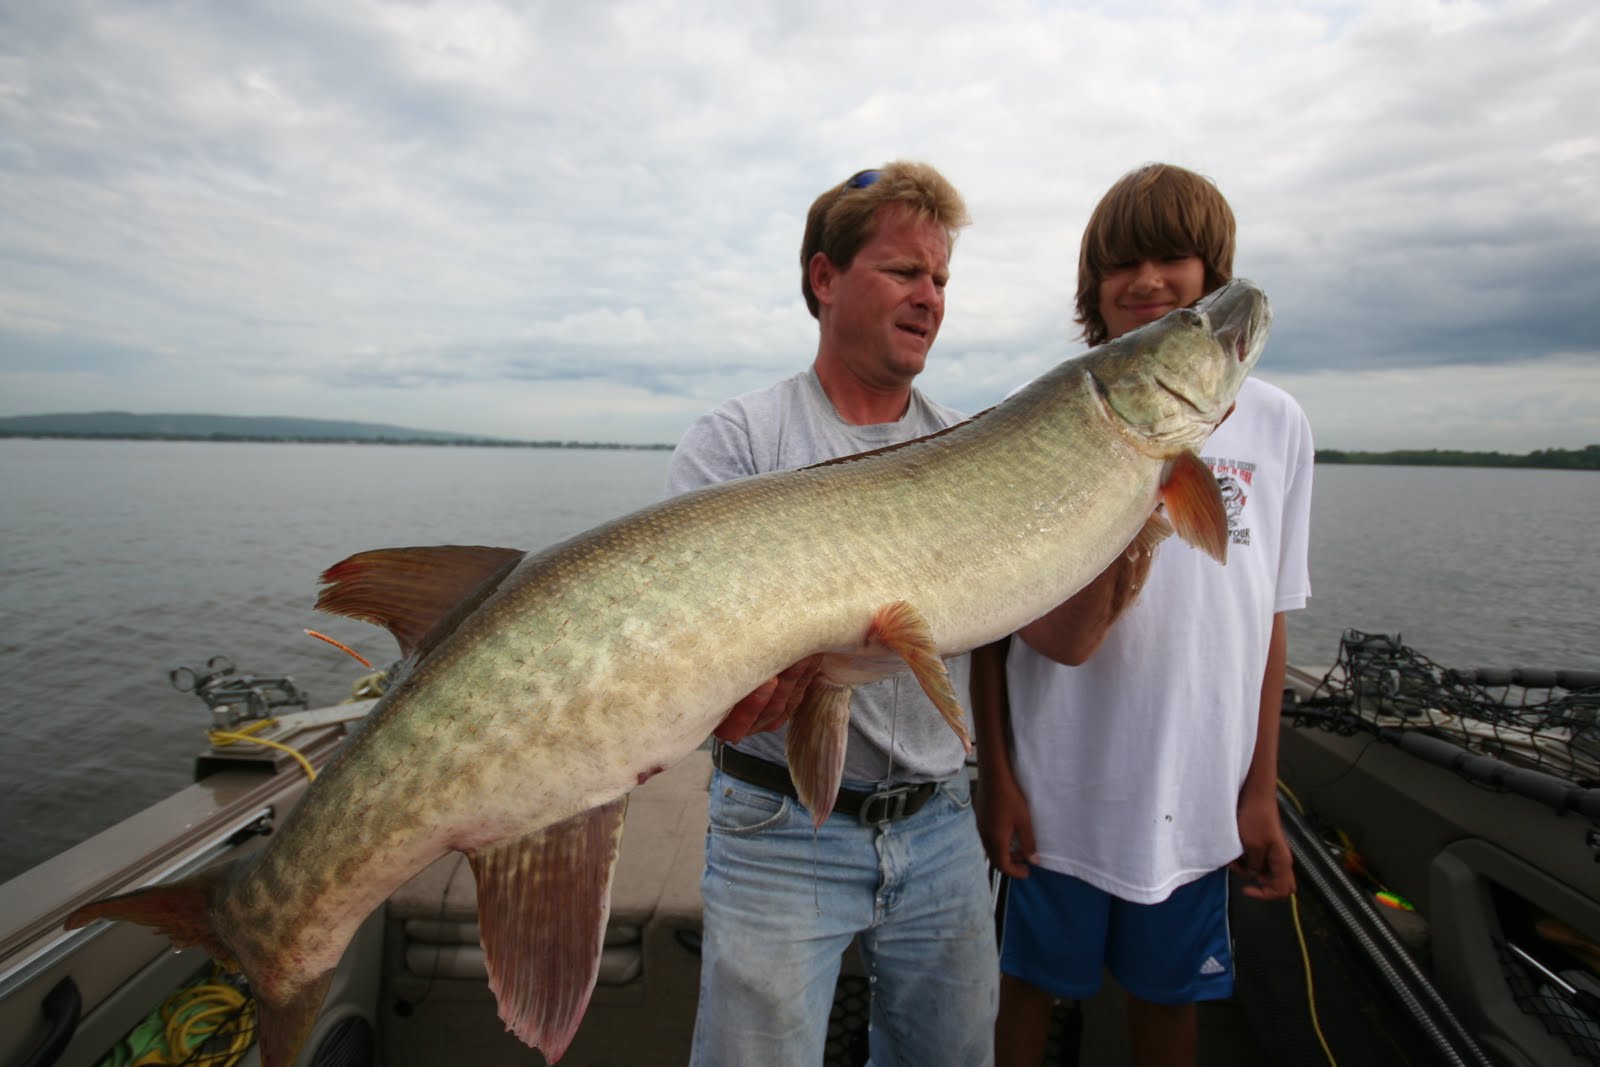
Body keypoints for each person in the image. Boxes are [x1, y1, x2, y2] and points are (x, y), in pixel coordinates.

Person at [974, 163, 1315, 1067]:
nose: (1146, 281)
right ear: (1093, 287)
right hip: (1057, 795)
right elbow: (993, 621)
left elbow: (1270, 619)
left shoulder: (1280, 427)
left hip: (1197, 802)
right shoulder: (1036, 414)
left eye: (1173, 259)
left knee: (1170, 1011)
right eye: (1121, 263)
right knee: (1024, 999)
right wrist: (996, 777)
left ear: (1213, 273)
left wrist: (1257, 791)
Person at [667, 161, 998, 1067]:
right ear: (824, 279)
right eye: (903, 271)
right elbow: (706, 657)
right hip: (775, 828)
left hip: (938, 826)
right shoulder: (736, 441)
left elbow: (1037, 634)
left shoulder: (968, 447)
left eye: (940, 279)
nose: (929, 296)